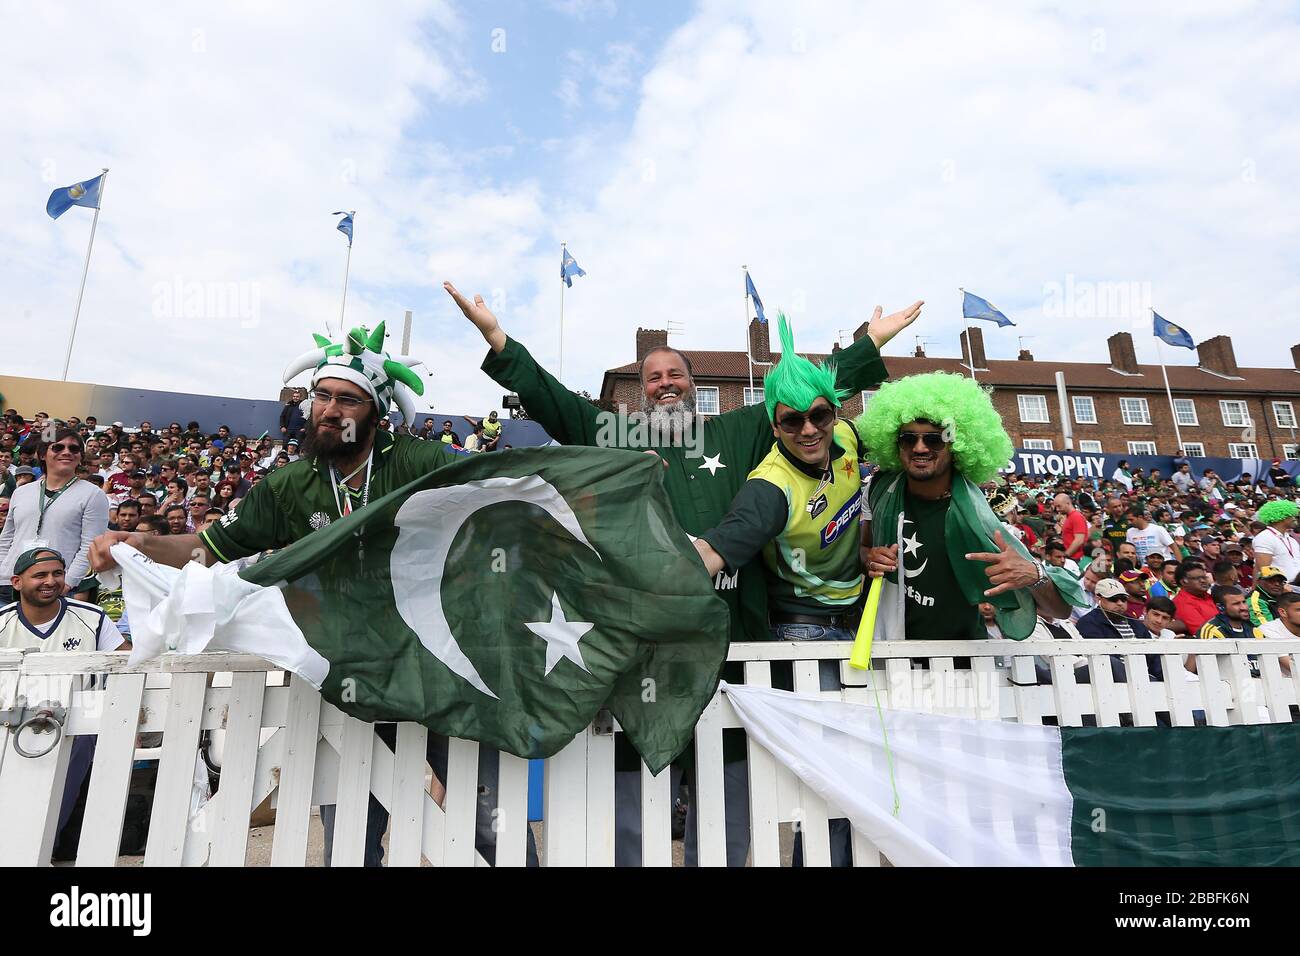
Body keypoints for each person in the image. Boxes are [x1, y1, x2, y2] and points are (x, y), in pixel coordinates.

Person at [446, 278, 923, 867]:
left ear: (692, 386)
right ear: (641, 391)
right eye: (654, 377)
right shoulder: (617, 435)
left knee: (728, 788)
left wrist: (869, 340)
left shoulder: (738, 430)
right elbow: (553, 402)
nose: (665, 384)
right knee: (638, 785)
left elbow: (811, 397)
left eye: (675, 375)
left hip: (733, 637)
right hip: (648, 644)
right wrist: (498, 338)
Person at [90, 322, 522, 869]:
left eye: (348, 399)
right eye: (321, 395)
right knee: (353, 817)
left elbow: (504, 501)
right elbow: (211, 550)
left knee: (485, 813)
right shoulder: (289, 484)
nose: (330, 410)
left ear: (376, 411)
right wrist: (140, 542)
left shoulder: (421, 463)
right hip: (348, 664)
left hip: (442, 659)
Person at [693, 316, 868, 866]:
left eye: (820, 415)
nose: (810, 431)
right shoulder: (768, 488)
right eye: (793, 422)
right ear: (774, 425)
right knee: (824, 774)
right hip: (803, 634)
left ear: (835, 413)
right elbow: (712, 556)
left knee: (856, 772)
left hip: (864, 624)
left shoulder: (847, 438)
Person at [858, 372, 1079, 643]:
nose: (919, 448)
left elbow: (1060, 610)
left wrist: (1033, 575)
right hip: (892, 653)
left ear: (956, 444)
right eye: (908, 438)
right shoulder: (881, 490)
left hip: (964, 660)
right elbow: (864, 547)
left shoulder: (981, 519)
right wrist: (870, 558)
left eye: (934, 439)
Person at [1, 548, 128, 850]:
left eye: (57, 573)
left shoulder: (91, 616)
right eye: (40, 575)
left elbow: (127, 662)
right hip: (9, 721)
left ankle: (37, 845)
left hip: (76, 722)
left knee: (79, 739)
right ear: (17, 582)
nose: (51, 581)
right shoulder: (3, 621)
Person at [0, 429, 108, 603]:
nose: (66, 452)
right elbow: (6, 537)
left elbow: (91, 545)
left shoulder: (93, 495)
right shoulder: (22, 492)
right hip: (10, 582)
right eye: (58, 447)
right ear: (42, 454)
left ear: (80, 456)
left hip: (53, 588)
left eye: (73, 449)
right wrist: (2, 570)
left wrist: (68, 583)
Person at [1251, 500, 1300, 584]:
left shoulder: (1291, 539)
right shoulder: (1264, 538)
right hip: (1280, 589)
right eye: (1291, 516)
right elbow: (1264, 570)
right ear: (1281, 517)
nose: (1294, 519)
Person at [1256, 591, 1300, 675]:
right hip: (1279, 685)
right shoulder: (1269, 630)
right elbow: (1293, 667)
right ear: (1283, 612)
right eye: (1299, 610)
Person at [1171, 561, 1216, 636]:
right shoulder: (1182, 603)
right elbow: (1202, 633)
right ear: (1183, 582)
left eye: (1204, 577)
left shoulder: (1211, 596)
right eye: (1197, 578)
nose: (1203, 581)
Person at [1053, 492, 1088, 562]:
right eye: (1056, 507)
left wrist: (1066, 555)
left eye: (1059, 506)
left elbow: (1079, 540)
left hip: (1075, 558)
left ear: (1068, 503)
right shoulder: (1069, 517)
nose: (1057, 509)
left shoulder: (1076, 517)